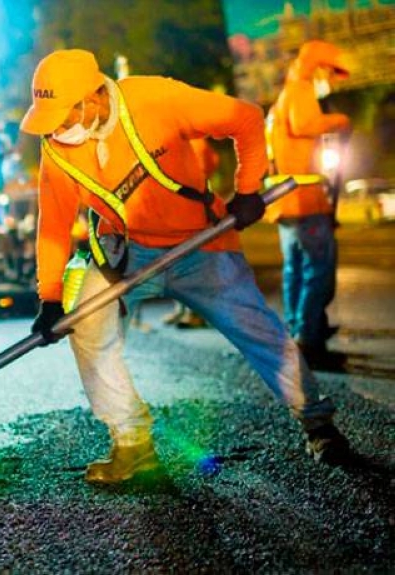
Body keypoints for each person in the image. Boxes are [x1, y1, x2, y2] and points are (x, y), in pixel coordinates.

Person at [21, 49, 350, 484]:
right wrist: (49, 298)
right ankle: (132, 444)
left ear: (94, 96)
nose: (59, 129)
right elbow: (53, 227)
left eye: (65, 116)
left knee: (259, 332)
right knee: (87, 327)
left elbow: (246, 118)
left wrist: (248, 188)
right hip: (126, 253)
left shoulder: (156, 98)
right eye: (52, 120)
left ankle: (318, 424)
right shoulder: (58, 150)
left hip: (201, 245)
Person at [265, 41, 353, 371]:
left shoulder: (279, 102)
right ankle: (307, 338)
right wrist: (339, 121)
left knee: (296, 270)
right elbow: (304, 125)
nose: (330, 80)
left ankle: (302, 329)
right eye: (330, 72)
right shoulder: (300, 91)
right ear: (317, 68)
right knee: (319, 271)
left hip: (284, 202)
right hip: (304, 201)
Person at [161, 138, 222, 329]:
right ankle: (182, 309)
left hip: (189, 208)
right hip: (177, 207)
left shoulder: (195, 142)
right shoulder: (176, 140)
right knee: (176, 262)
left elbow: (207, 165)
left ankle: (195, 313)